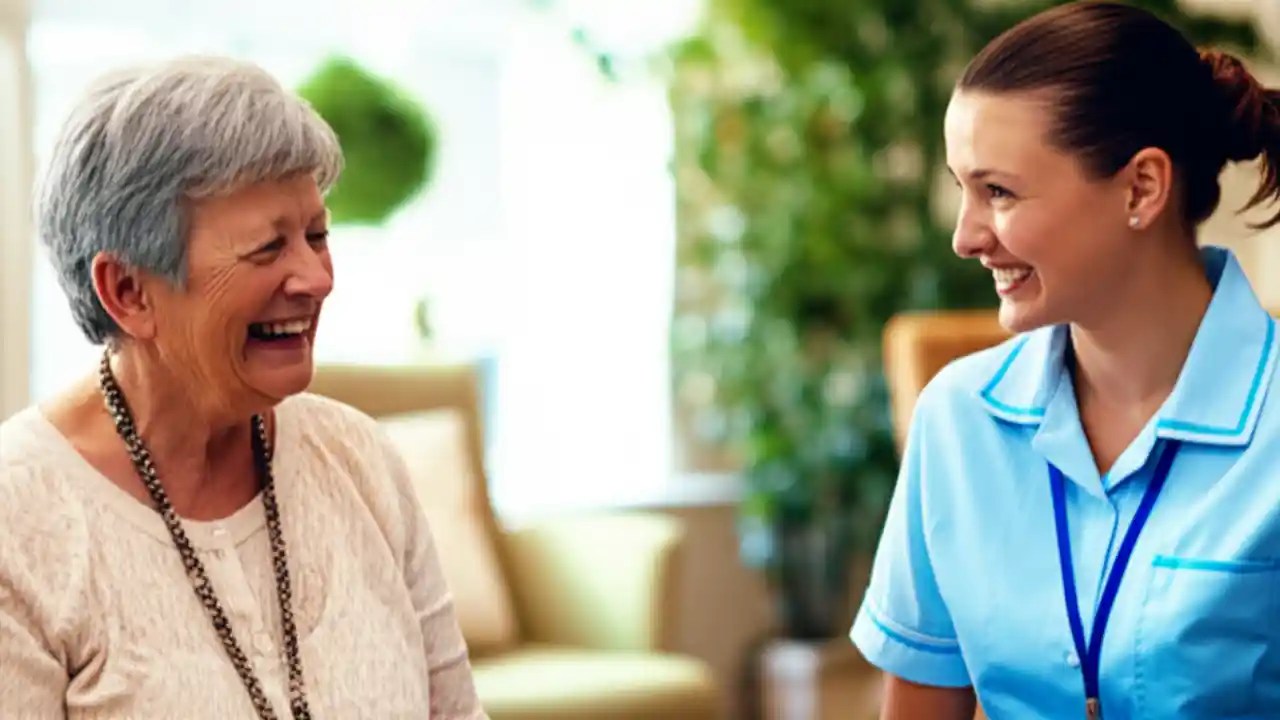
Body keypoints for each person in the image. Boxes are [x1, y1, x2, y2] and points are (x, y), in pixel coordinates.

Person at [0, 56, 487, 719]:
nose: (315, 278)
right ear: (127, 291)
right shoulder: (18, 522)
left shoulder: (360, 460)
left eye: (317, 235)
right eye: (267, 249)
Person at [850, 2, 1280, 718]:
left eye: (999, 192)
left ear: (1141, 187)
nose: (964, 236)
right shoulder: (957, 420)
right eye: (964, 189)